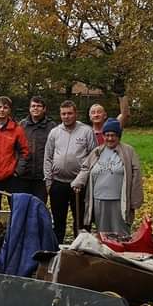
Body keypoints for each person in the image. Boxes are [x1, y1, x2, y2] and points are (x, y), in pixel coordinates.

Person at [71, 118, 144, 236]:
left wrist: (135, 200)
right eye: (107, 135)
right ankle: (105, 253)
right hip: (99, 199)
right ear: (103, 136)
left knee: (121, 233)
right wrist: (79, 182)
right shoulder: (97, 151)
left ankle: (121, 253)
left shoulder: (128, 151)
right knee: (103, 234)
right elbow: (86, 168)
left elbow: (136, 174)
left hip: (119, 200)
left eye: (113, 135)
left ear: (119, 136)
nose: (110, 138)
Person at [43, 100, 96, 242]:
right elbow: (48, 157)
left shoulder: (86, 131)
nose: (66, 116)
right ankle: (58, 248)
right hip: (58, 183)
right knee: (58, 221)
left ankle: (81, 248)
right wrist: (49, 181)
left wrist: (82, 180)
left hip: (79, 185)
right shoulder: (55, 132)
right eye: (63, 114)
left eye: (69, 113)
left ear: (75, 114)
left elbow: (93, 157)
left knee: (81, 222)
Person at [0, 96, 30, 211]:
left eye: (5, 107)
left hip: (11, 176)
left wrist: (17, 172)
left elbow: (25, 151)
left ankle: (14, 229)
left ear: (9, 110)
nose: (2, 110)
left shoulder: (17, 130)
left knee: (15, 209)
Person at [18, 95, 56, 201]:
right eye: (33, 106)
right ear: (29, 109)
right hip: (24, 175)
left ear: (44, 109)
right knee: (23, 206)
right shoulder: (21, 126)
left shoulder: (52, 127)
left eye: (39, 106)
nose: (35, 108)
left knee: (38, 206)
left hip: (42, 177)